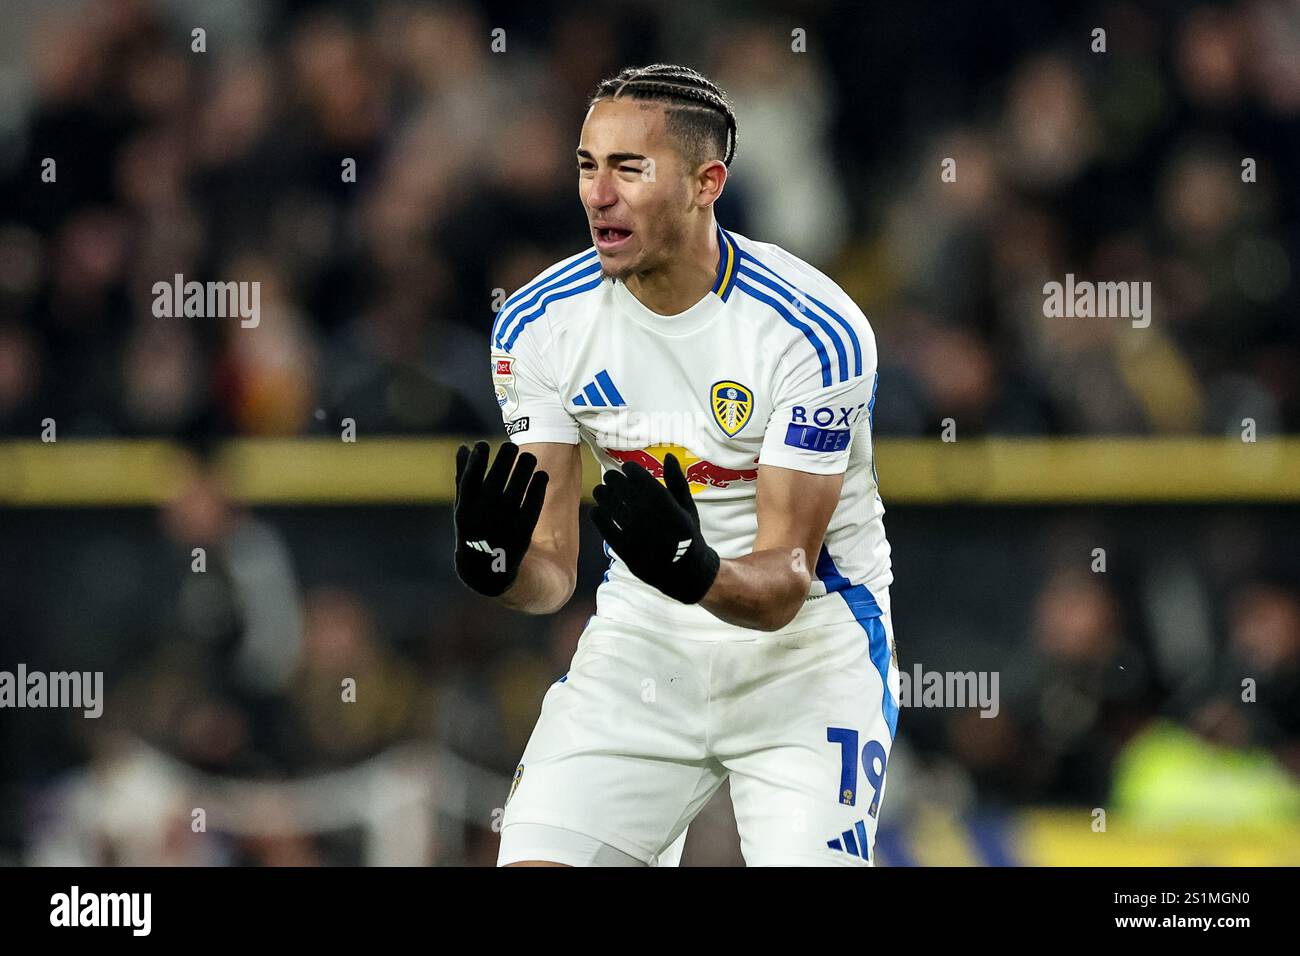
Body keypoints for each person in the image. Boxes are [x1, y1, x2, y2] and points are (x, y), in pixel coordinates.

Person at [453, 64, 898, 866]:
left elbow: (786, 585)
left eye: (629, 167)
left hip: (808, 657)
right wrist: (497, 567)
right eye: (588, 166)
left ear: (706, 182)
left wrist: (696, 570)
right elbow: (552, 574)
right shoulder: (535, 326)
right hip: (645, 646)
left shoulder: (813, 331)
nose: (598, 194)